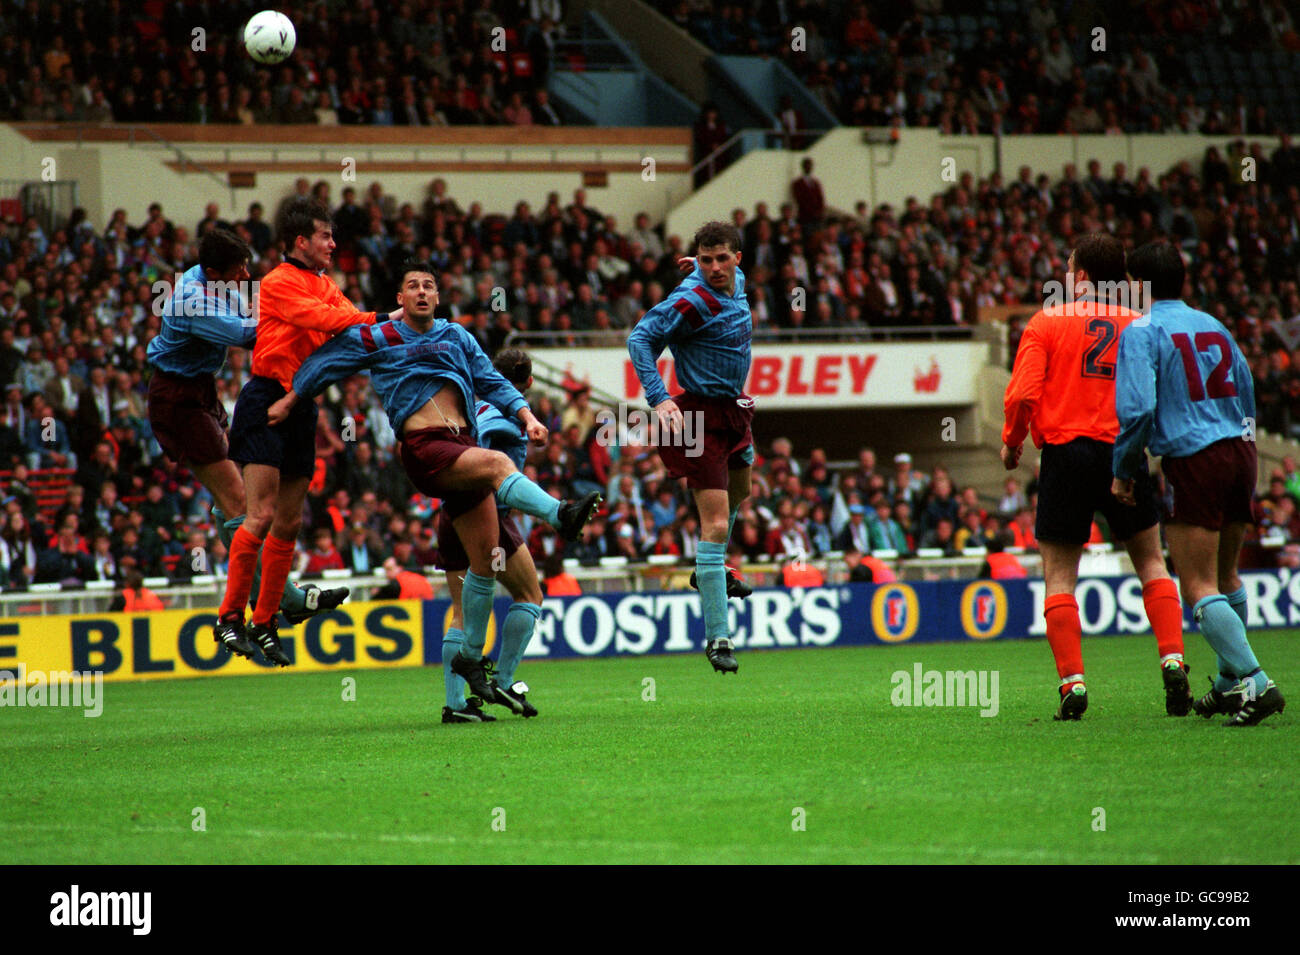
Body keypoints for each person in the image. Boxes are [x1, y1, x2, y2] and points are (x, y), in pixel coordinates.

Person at [269, 260, 599, 707]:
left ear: (438, 297)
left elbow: (489, 379)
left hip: (463, 447)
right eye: (412, 286)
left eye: (429, 285)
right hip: (426, 446)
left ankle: (466, 675)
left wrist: (528, 415)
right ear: (400, 299)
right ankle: (559, 514)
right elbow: (329, 360)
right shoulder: (379, 335)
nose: (421, 291)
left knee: (482, 567)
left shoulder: (457, 336)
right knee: (501, 464)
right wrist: (291, 398)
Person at [1001, 232, 1191, 721]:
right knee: (1150, 561)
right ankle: (1173, 659)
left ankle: (1073, 684)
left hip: (1066, 455)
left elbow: (1022, 394)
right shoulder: (1140, 322)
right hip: (1122, 451)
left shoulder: (1047, 320)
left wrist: (1012, 439)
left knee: (1060, 575)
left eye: (1069, 266)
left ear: (1081, 276)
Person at [213, 198, 396, 666]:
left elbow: (349, 327)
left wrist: (395, 333)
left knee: (290, 522)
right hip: (266, 399)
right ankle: (230, 618)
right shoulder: (277, 283)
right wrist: (382, 318)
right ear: (301, 241)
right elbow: (329, 321)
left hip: (300, 403)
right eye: (325, 236)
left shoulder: (325, 283)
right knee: (261, 515)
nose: (333, 244)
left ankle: (266, 621)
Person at [147, 227, 347, 654]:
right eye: (238, 269)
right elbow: (249, 334)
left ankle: (271, 598)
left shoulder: (221, 283)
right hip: (176, 398)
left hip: (201, 391)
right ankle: (276, 601)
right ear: (214, 270)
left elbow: (262, 320)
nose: (245, 275)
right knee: (241, 504)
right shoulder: (190, 298)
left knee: (230, 506)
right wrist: (306, 311)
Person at [1113, 241, 1285, 726]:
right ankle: (1230, 683)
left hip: (1195, 457)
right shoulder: (1214, 325)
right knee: (1227, 576)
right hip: (1240, 451)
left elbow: (1138, 409)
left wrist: (1125, 468)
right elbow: (1247, 390)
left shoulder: (1142, 331)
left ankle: (1254, 680)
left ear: (1137, 284)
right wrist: (1241, 444)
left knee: (1197, 583)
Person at [627, 220, 754, 674]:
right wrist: (659, 399)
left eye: (722, 258)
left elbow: (716, 275)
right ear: (697, 261)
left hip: (734, 411)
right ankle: (718, 637)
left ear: (738, 259)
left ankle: (708, 573)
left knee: (742, 493)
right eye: (706, 260)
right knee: (716, 525)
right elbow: (639, 339)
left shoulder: (734, 283)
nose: (716, 267)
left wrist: (694, 271)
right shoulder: (690, 300)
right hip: (697, 416)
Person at [436, 347, 544, 723]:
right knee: (529, 595)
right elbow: (486, 442)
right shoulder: (504, 414)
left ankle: (456, 704)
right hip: (488, 518)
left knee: (461, 613)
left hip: (451, 512)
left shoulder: (475, 407)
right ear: (527, 382)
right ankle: (503, 679)